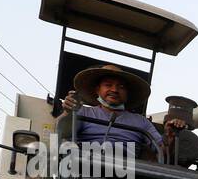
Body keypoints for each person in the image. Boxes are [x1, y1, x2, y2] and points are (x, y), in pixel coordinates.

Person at [56, 64, 186, 161]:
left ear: (127, 94)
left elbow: (161, 153)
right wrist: (69, 113)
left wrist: (170, 136)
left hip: (127, 173)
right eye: (108, 85)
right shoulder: (83, 112)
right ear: (97, 89)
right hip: (84, 168)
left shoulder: (141, 121)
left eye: (121, 87)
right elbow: (61, 134)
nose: (114, 90)